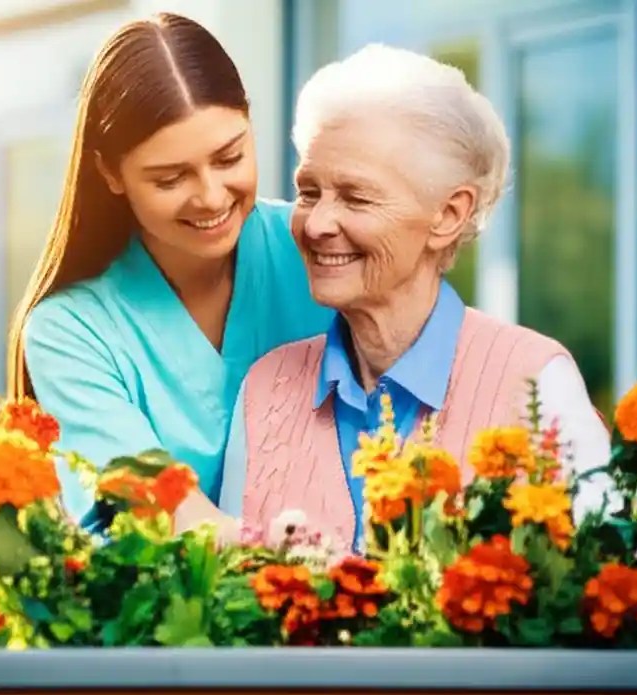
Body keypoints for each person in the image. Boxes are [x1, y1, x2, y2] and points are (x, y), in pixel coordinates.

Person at [219, 44, 614, 553]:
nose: (316, 224)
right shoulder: (265, 391)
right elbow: (228, 594)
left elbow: (602, 584)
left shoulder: (537, 383)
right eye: (309, 192)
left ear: (448, 215)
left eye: (356, 197)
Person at [7, 13, 331, 540]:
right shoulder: (69, 330)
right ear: (110, 174)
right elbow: (165, 512)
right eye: (171, 178)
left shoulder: (318, 246)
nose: (211, 197)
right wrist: (291, 554)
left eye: (229, 157)